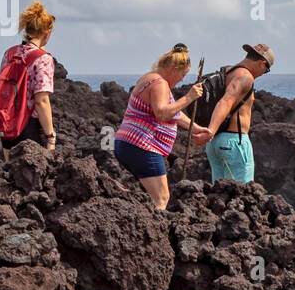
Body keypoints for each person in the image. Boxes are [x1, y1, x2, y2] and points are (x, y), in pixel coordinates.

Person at [113, 44, 210, 209]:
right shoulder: (159, 84)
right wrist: (189, 97)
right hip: (143, 146)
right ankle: (154, 233)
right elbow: (162, 113)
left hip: (129, 144)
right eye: (182, 74)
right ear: (173, 69)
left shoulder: (151, 78)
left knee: (150, 197)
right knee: (162, 198)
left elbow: (174, 113)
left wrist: (195, 128)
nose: (182, 80)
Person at [192, 43, 273, 183]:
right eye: (266, 70)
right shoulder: (245, 77)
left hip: (215, 144)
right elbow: (225, 101)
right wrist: (210, 131)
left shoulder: (228, 71)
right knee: (241, 196)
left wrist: (211, 132)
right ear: (262, 63)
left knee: (219, 193)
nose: (262, 74)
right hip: (234, 143)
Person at [0, 1, 58, 158]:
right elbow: (41, 101)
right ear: (47, 33)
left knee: (8, 176)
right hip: (29, 128)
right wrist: (50, 136)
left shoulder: (10, 54)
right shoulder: (43, 59)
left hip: (7, 124)